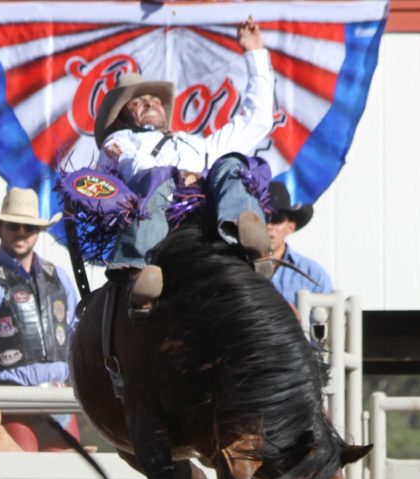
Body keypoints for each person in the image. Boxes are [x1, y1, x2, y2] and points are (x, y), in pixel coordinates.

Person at [93, 16, 274, 309]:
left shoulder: (197, 143)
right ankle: (139, 268)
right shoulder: (121, 140)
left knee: (231, 163)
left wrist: (255, 53)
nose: (150, 102)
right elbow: (131, 166)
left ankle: (243, 232)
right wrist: (182, 177)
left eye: (154, 99)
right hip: (159, 205)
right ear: (123, 116)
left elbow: (258, 119)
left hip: (203, 206)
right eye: (137, 102)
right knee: (157, 176)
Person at [0, 187, 81, 451]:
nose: (21, 233)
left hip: (59, 398)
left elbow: (76, 336)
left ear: (39, 232)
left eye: (29, 227)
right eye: (14, 226)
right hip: (11, 401)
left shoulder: (59, 278)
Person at [266, 180, 333, 313]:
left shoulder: (314, 275)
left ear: (291, 227)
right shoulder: (235, 269)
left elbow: (325, 327)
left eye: (277, 218)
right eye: (263, 217)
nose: (268, 226)